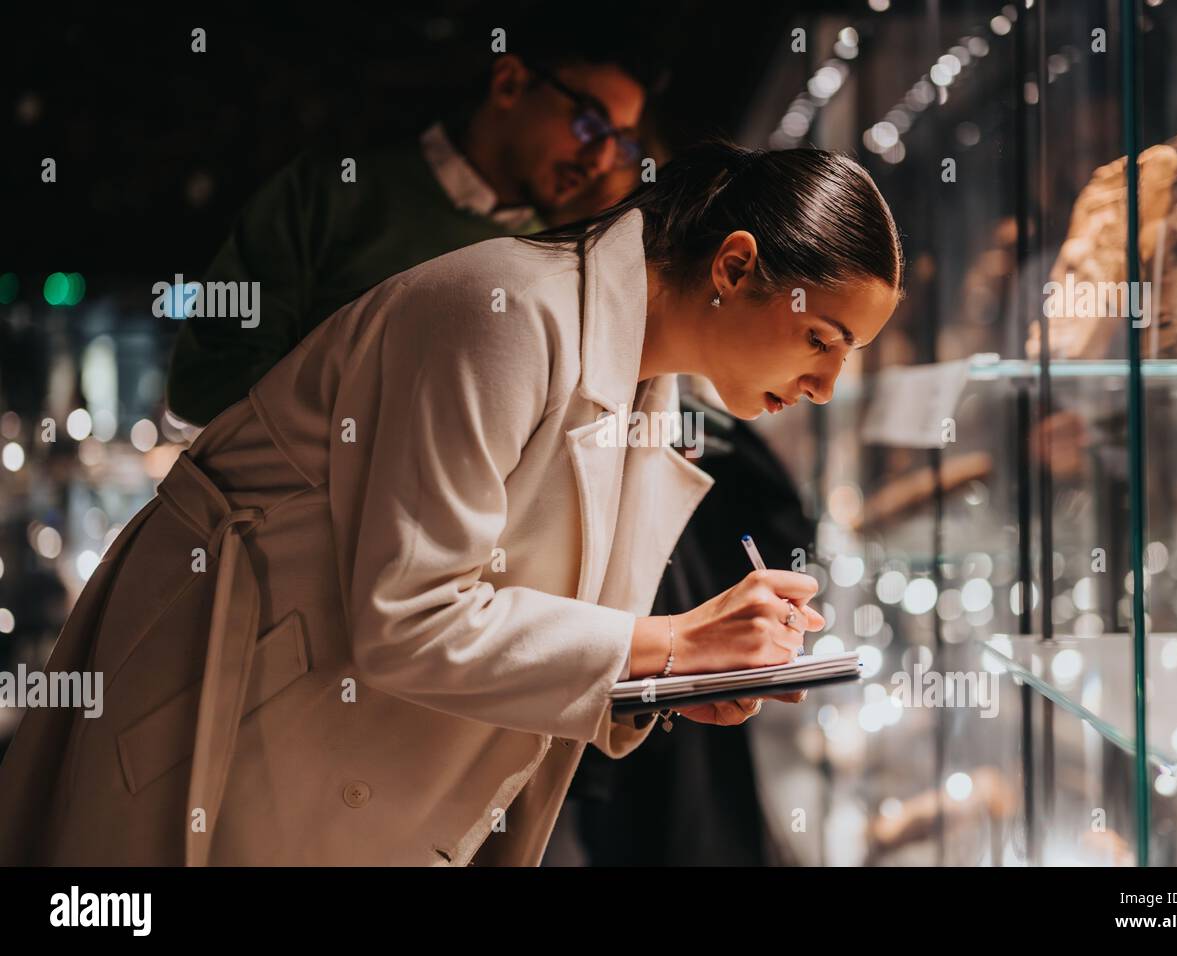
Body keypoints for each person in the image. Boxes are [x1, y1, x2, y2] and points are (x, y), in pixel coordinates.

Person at [0, 140, 903, 866]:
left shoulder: (647, 386)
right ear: (736, 266)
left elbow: (537, 629)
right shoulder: (505, 310)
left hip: (356, 762)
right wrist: (670, 642)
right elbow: (411, 616)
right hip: (236, 727)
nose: (825, 383)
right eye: (821, 338)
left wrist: (673, 675)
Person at [165, 25, 654, 426]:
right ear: (508, 83)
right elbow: (208, 382)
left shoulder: (553, 261)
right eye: (590, 124)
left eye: (623, 143)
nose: (602, 159)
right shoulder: (329, 192)